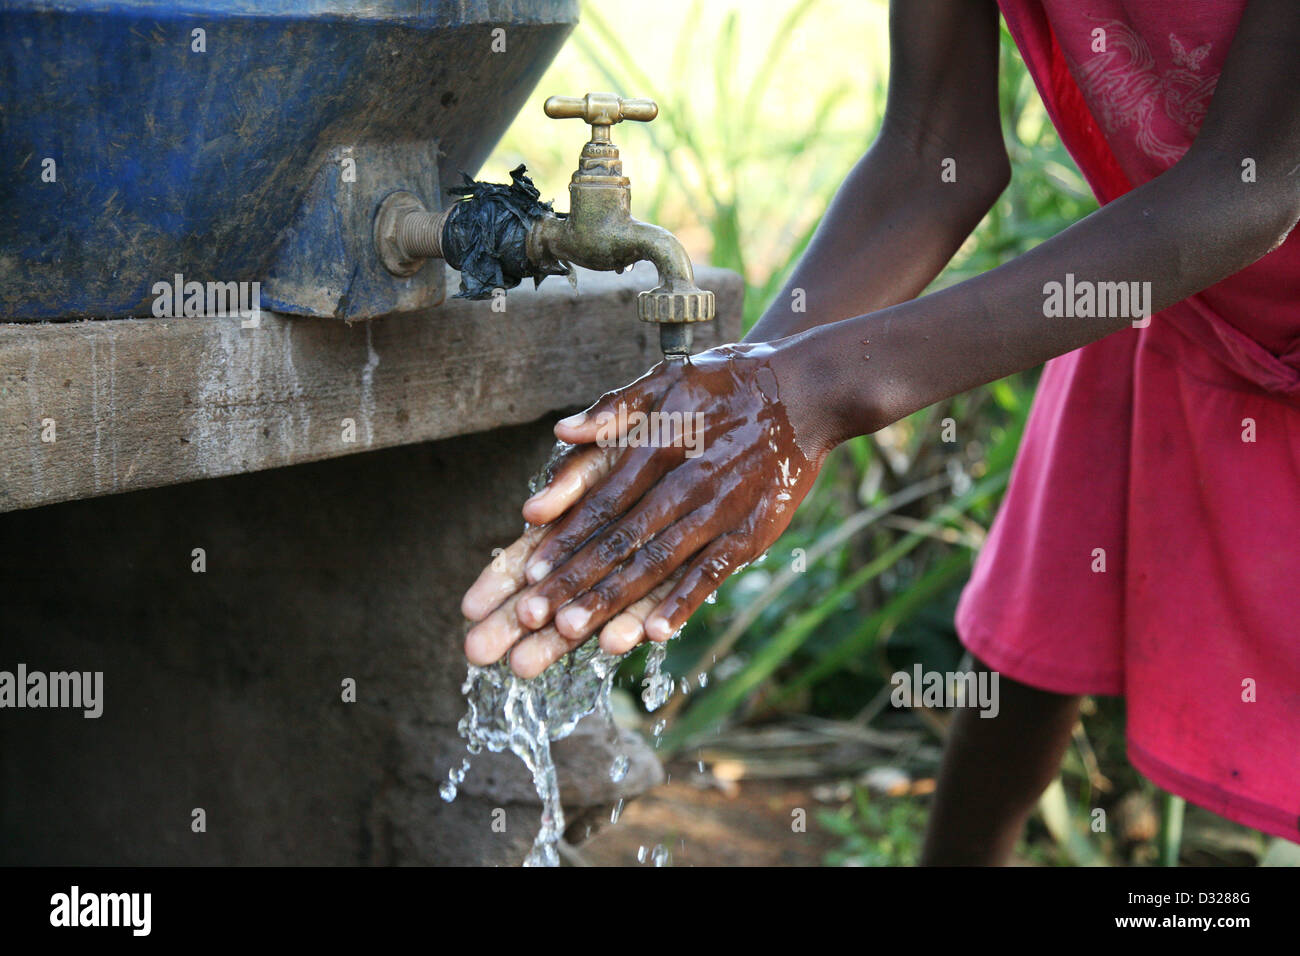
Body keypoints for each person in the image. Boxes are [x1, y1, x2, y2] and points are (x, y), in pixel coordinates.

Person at [460, 0, 1300, 863]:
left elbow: (1251, 183)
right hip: (1165, 287)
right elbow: (932, 153)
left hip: (1200, 251)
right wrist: (749, 396)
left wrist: (809, 394)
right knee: (1023, 667)